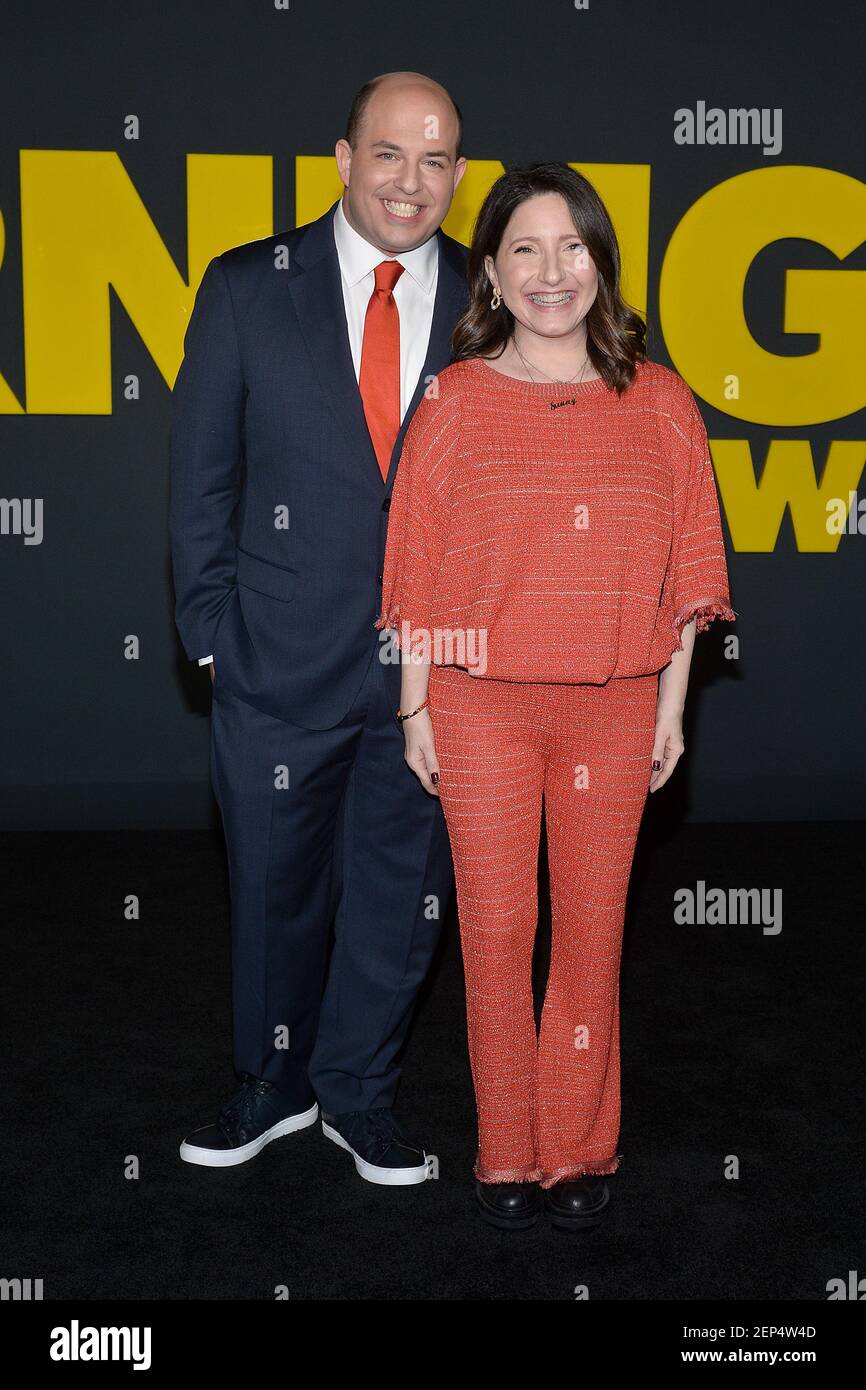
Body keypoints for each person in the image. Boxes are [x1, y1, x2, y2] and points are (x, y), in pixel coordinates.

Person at [376, 162, 736, 1228]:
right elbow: (414, 566)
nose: (550, 271)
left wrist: (671, 708)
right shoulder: (453, 401)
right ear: (490, 271)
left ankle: (576, 1149)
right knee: (495, 934)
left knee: (589, 934)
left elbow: (689, 568)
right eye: (524, 249)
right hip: (477, 706)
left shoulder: (660, 401)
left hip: (615, 705)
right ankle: (504, 1152)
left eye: (571, 247)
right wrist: (413, 707)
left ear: (600, 265)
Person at [169, 72, 468, 1185]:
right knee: (270, 887)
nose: (410, 182)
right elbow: (202, 478)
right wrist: (212, 634)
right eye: (389, 154)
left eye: (434, 161)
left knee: (400, 897)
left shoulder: (490, 296)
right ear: (343, 159)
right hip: (275, 661)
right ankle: (272, 1081)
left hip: (434, 675)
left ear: (458, 175)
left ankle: (359, 1093)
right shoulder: (249, 286)